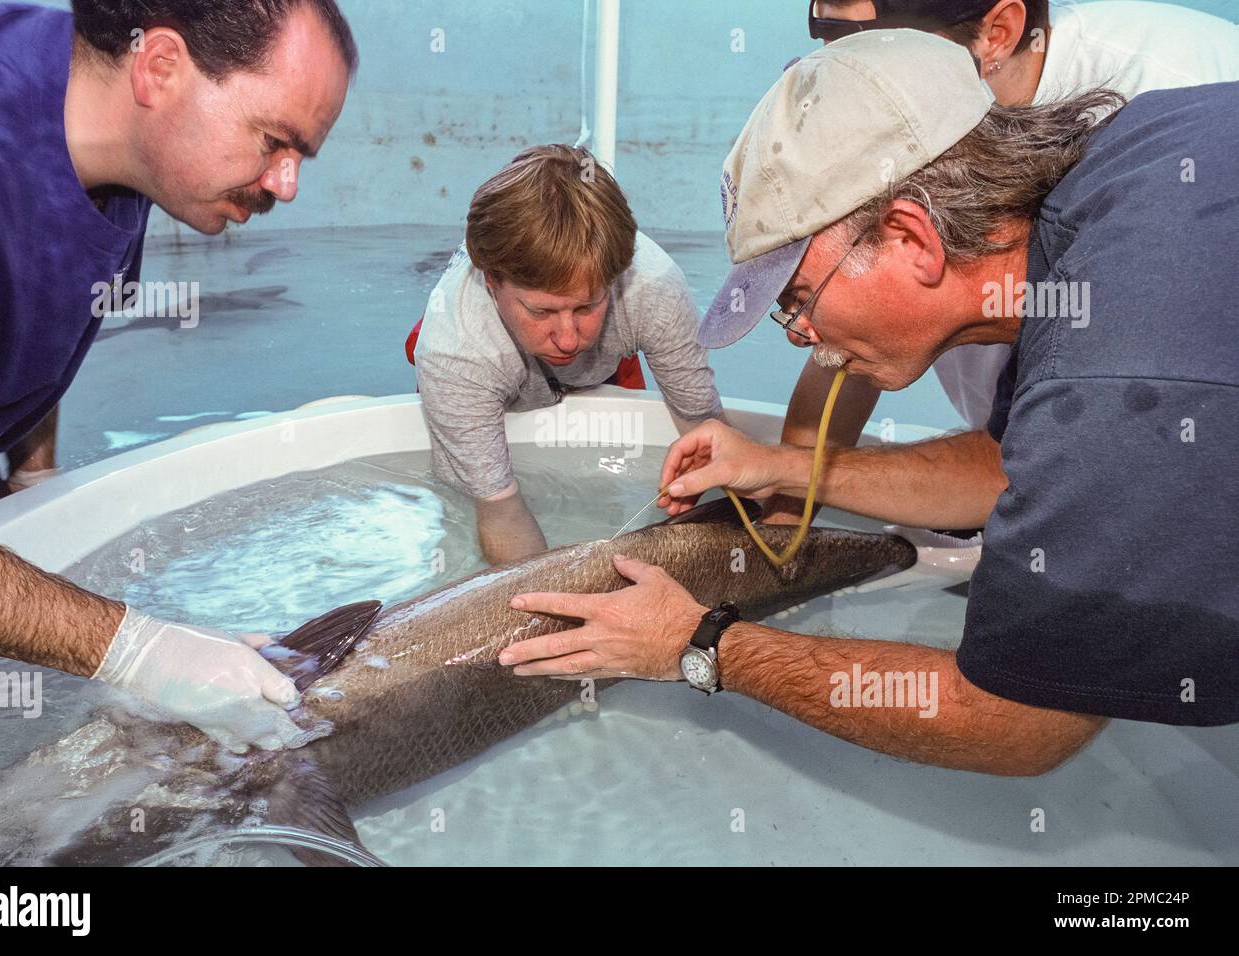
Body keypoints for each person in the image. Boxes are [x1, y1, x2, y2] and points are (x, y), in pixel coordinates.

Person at [497, 30, 1239, 774]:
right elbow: (1002, 468)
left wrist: (698, 642)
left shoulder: (1120, 365)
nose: (800, 336)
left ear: (912, 238)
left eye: (797, 301)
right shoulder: (1127, 175)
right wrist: (789, 469)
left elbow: (1016, 721)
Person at [0, 0, 357, 752]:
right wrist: (139, 651)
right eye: (274, 142)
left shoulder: (115, 139)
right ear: (159, 67)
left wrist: (34, 482)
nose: (287, 184)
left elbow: (39, 314)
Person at [772, 0, 1239, 522]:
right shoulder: (896, 115)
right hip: (1007, 447)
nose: (851, 90)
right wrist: (787, 500)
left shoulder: (1172, 94)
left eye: (875, 50)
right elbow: (854, 306)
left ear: (998, 32)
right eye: (830, 41)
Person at [410, 145, 725, 564]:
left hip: (609, 354)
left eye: (586, 306)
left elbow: (706, 434)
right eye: (541, 311)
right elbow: (499, 512)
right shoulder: (457, 353)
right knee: (464, 504)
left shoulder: (652, 289)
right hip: (480, 362)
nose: (567, 338)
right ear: (491, 283)